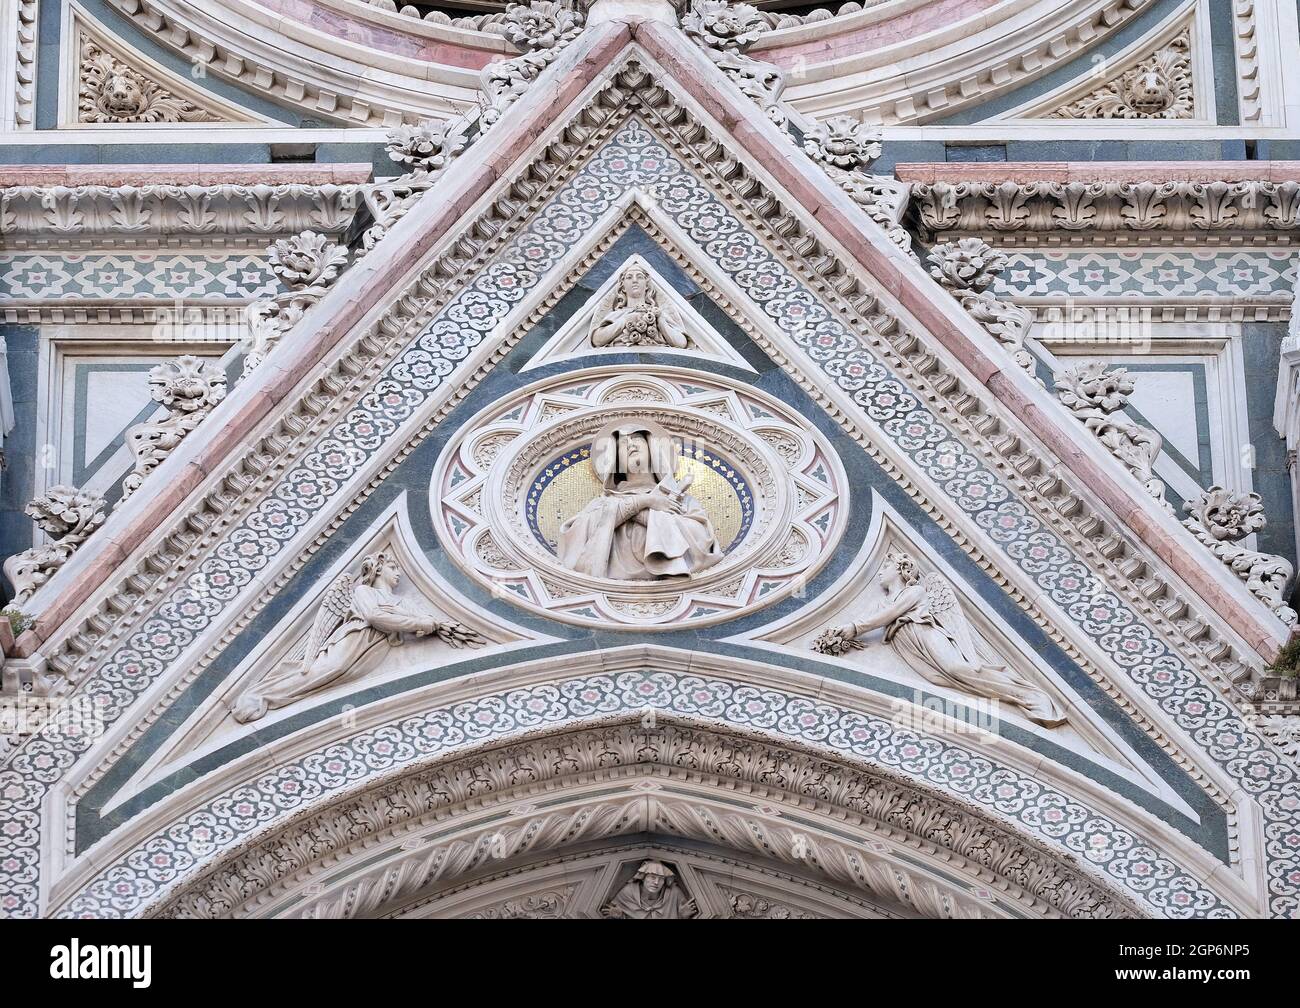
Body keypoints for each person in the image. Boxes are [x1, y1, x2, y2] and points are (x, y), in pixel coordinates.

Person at [557, 422, 722, 580]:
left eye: (637, 439)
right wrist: (644, 502)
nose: (631, 445)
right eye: (622, 444)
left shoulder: (684, 501)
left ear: (652, 449)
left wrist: (642, 515)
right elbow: (575, 542)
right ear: (616, 460)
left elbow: (702, 541)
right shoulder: (603, 503)